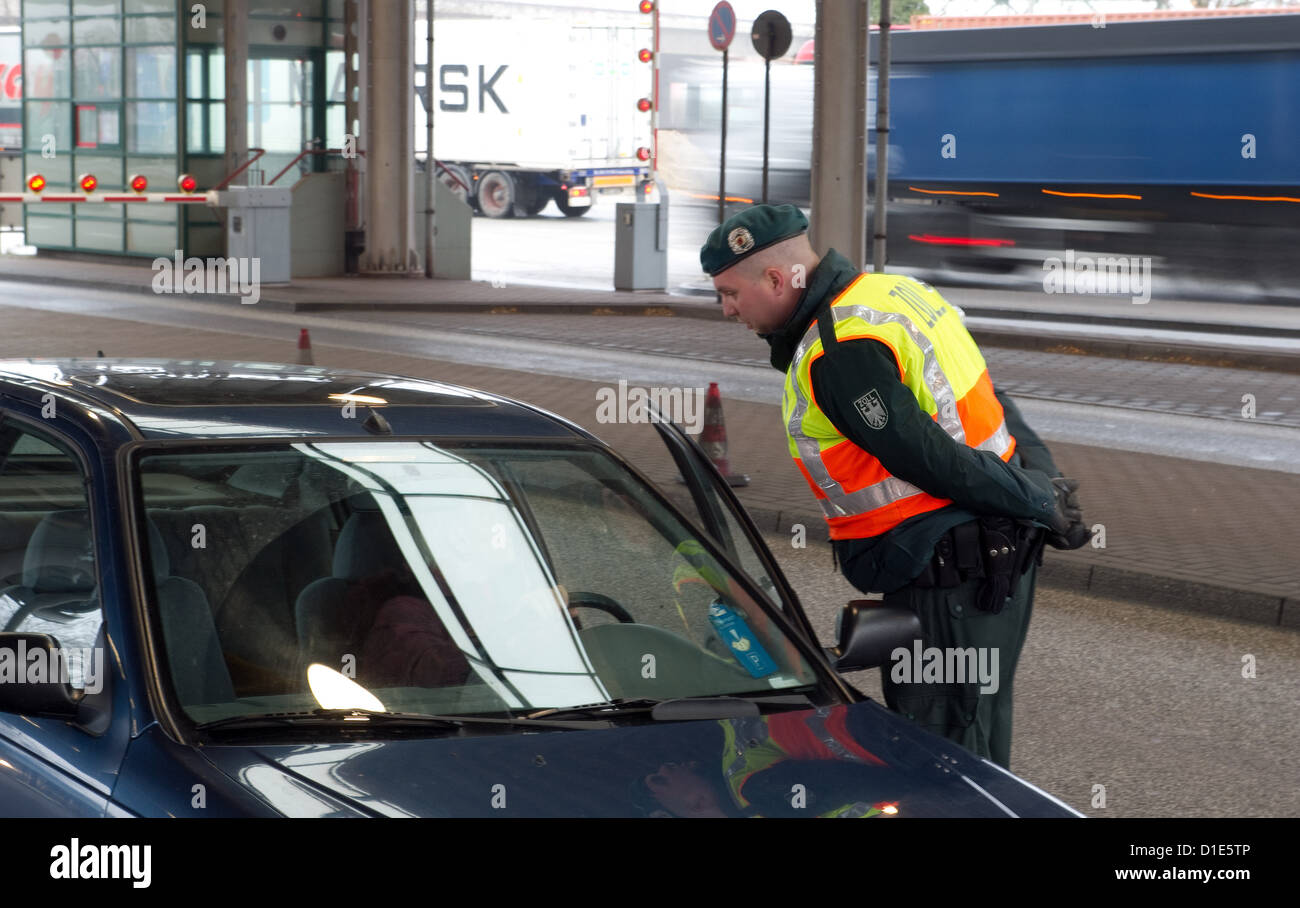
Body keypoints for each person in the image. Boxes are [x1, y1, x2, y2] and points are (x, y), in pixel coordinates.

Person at [699, 204, 1092, 769]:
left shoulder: (840, 352)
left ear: (777, 279)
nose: (727, 308)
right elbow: (991, 397)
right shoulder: (894, 293)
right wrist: (1045, 487)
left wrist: (1040, 501)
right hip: (989, 568)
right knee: (978, 734)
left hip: (951, 586)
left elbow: (927, 458)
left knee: (942, 759)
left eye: (730, 292)